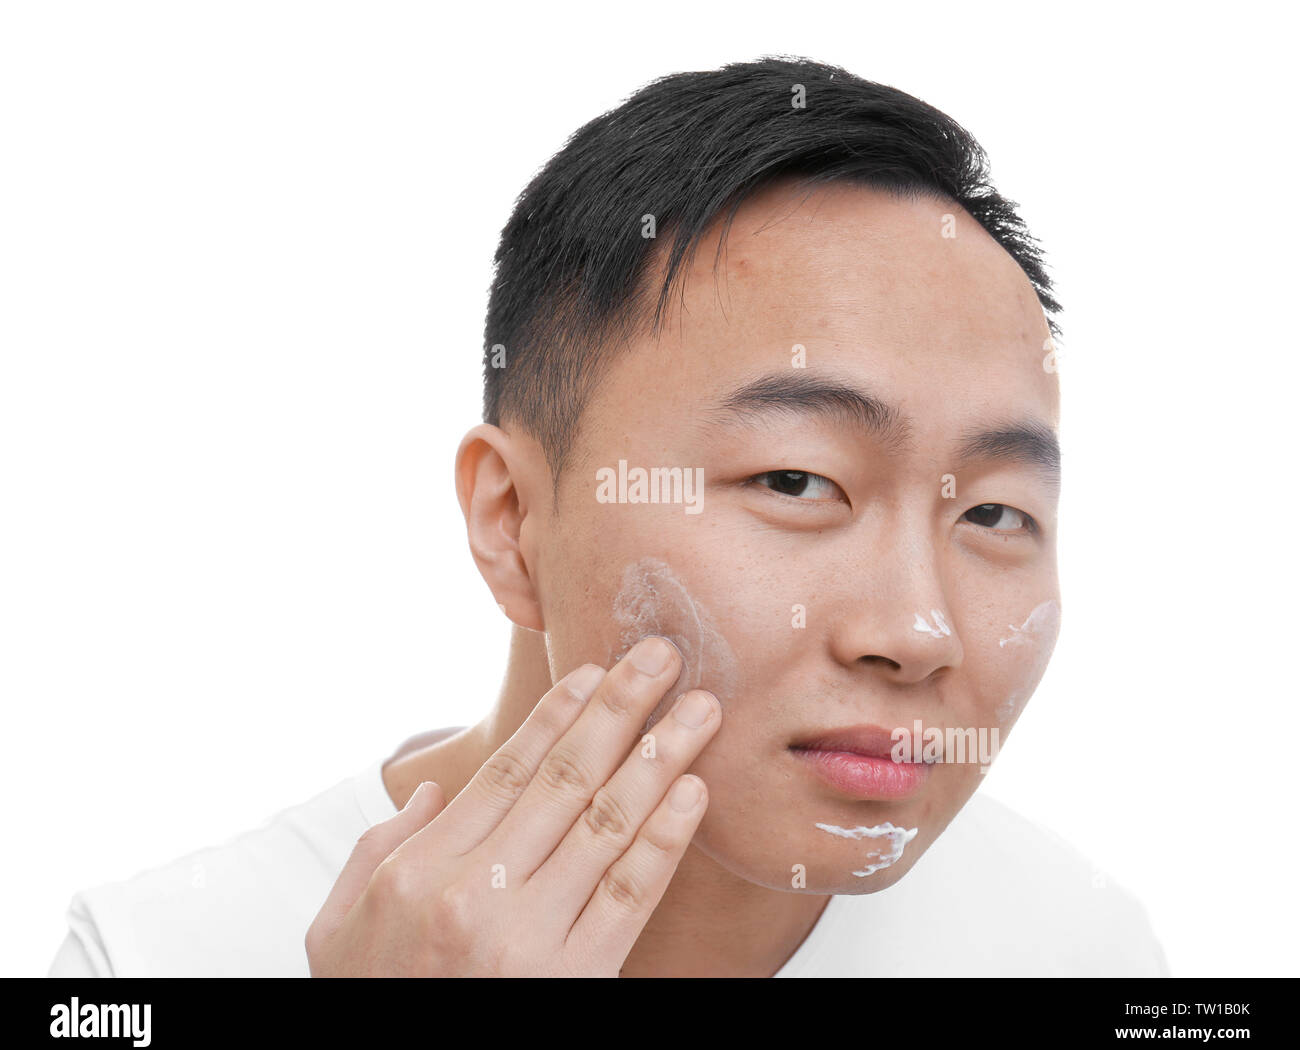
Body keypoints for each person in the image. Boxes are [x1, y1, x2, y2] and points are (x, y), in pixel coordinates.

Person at [49, 56, 1169, 978]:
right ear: (511, 519)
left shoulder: (1082, 951)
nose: (918, 629)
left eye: (991, 509)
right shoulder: (146, 961)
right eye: (794, 481)